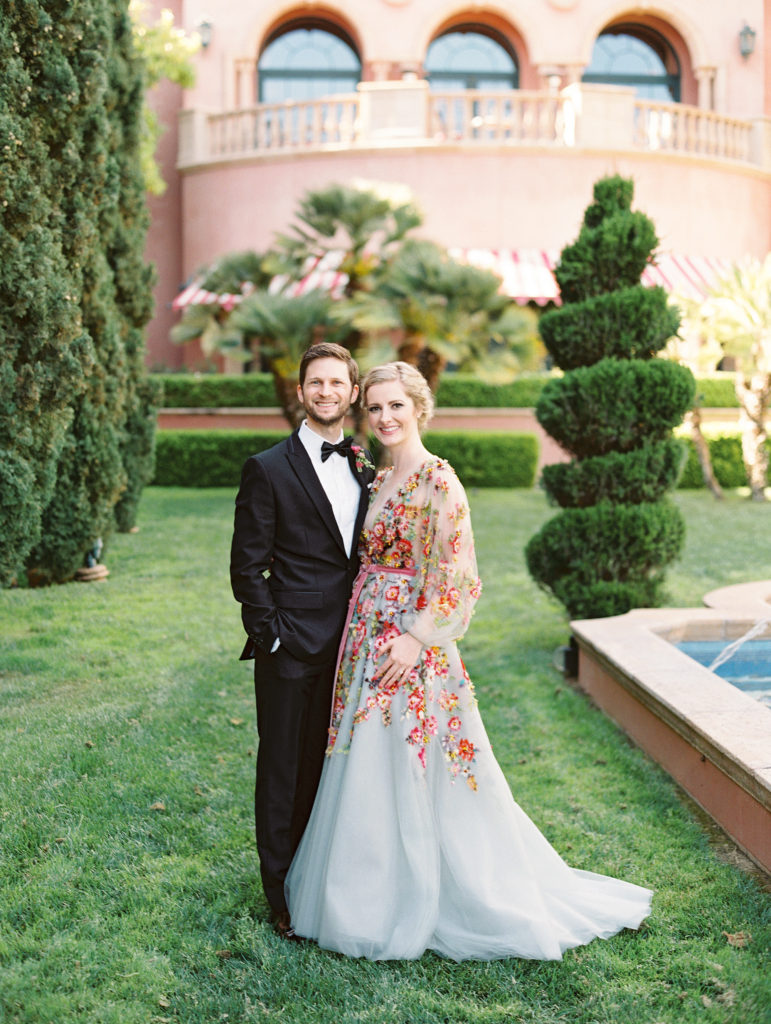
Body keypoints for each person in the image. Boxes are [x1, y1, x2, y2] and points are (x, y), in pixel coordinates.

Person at [285, 361, 652, 961]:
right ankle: (364, 890)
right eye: (374, 407)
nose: (384, 417)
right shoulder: (374, 480)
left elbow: (460, 578)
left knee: (413, 762)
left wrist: (416, 637)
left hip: (412, 644)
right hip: (364, 633)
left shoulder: (438, 481)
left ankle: (434, 892)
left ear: (418, 408)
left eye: (396, 406)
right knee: (366, 762)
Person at [230, 343, 376, 940]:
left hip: (353, 647)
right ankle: (282, 892)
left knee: (332, 766)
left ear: (351, 392)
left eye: (336, 383)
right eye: (316, 382)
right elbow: (246, 565)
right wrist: (270, 636)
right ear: (301, 391)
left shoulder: (365, 466)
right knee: (284, 769)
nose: (325, 392)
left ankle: (325, 877)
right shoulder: (268, 467)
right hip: (290, 648)